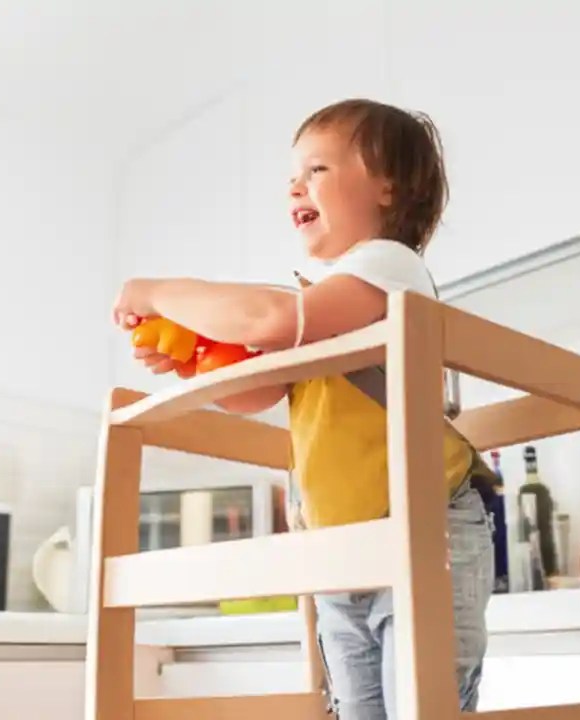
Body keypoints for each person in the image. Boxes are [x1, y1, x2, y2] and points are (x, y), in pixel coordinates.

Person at [111, 98, 496, 718]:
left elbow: (269, 321)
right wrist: (197, 361)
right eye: (294, 175)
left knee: (422, 707)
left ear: (388, 188)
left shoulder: (387, 265)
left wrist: (157, 292)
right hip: (342, 555)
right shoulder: (326, 306)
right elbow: (256, 391)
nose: (295, 185)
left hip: (425, 531)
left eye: (317, 168)